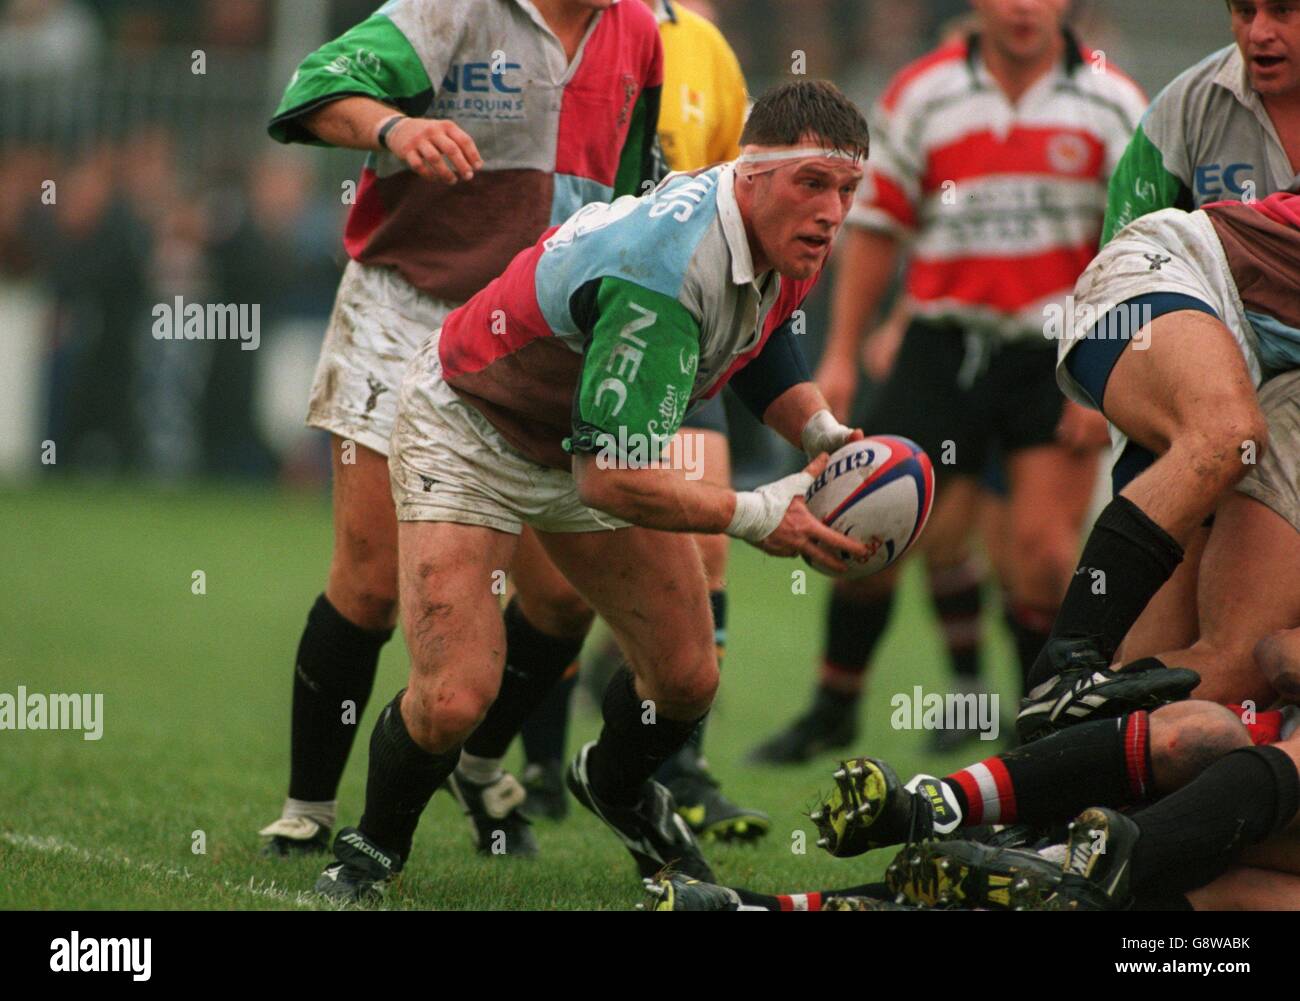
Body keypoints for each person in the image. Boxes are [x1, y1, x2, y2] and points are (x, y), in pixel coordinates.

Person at [312, 80, 874, 903]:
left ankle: (614, 785)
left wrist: (820, 430)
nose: (833, 211)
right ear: (750, 173)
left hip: (580, 439)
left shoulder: (780, 234)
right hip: (474, 424)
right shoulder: (669, 263)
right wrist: (757, 512)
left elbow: (762, 347)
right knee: (457, 691)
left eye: (849, 190)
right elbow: (610, 476)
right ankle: (370, 848)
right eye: (814, 184)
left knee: (686, 673)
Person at [256, 0, 664, 857]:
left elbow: (628, 200)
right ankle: (309, 807)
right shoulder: (456, 7)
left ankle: (474, 761)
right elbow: (313, 86)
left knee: (557, 597)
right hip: (403, 311)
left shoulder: (640, 35)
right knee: (369, 582)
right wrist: (395, 128)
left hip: (533, 336)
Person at [751, 0, 1146, 763]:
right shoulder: (922, 93)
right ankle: (833, 706)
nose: (1025, 7)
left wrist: (1115, 378)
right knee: (868, 529)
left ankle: (1040, 728)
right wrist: (840, 351)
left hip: (1056, 355)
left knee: (1037, 559)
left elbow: (1136, 242)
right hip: (940, 341)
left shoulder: (1113, 100)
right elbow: (877, 228)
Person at [511, 0, 769, 842]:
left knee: (700, 543)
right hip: (566, 311)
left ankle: (680, 769)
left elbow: (746, 195)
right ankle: (539, 765)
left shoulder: (707, 50)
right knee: (554, 591)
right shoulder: (546, 31)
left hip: (680, 323)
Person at [1055, 0, 1300, 673]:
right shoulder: (1189, 102)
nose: (1260, 32)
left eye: (1284, 10)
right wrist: (1111, 394)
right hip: (1200, 392)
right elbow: (1121, 259)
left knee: (1240, 661)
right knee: (1148, 654)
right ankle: (1063, 679)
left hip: (1287, 415)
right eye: (1243, 10)